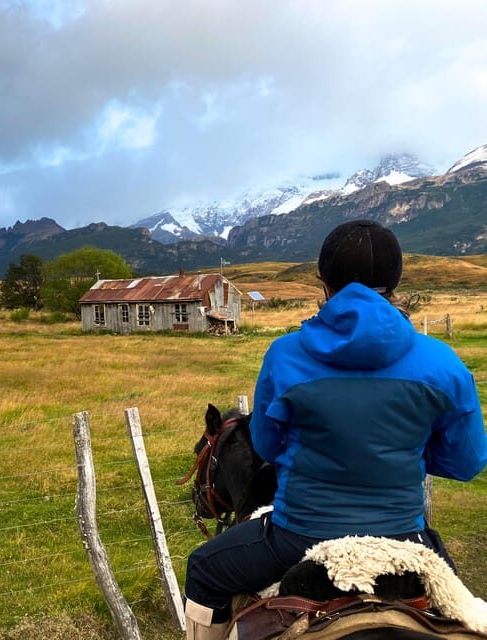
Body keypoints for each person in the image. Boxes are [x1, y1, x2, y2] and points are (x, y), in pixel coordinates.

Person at [184, 219, 487, 639]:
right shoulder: (445, 364)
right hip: (406, 536)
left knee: (203, 569)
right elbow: (468, 462)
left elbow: (268, 446)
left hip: (297, 534)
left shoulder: (285, 354)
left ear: (324, 283)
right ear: (396, 282)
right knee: (465, 615)